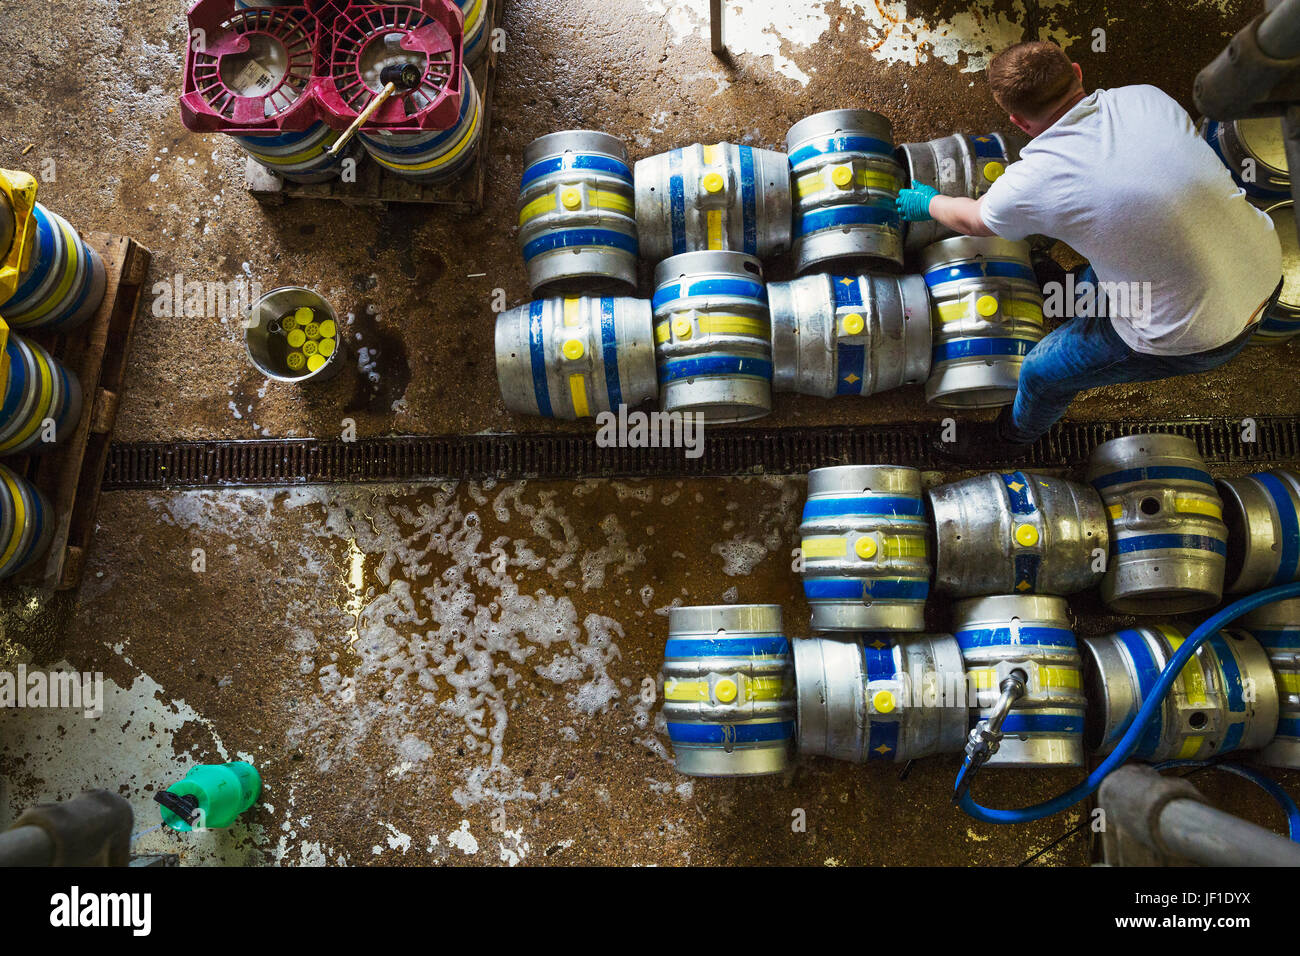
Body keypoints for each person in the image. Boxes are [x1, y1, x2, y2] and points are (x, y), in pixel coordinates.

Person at [896, 40, 1284, 462]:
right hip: (1264, 265)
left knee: (1043, 372)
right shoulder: (1146, 97)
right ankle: (1071, 294)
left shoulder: (1033, 180)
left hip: (1198, 333)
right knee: (1124, 237)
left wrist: (929, 203)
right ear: (1077, 73)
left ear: (1018, 121)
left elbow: (975, 221)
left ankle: (1010, 442)